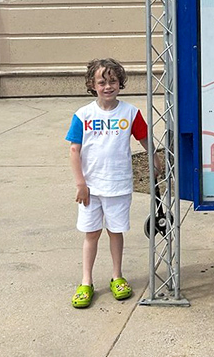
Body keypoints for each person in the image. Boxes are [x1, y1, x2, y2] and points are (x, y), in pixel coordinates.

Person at [65, 58, 157, 309]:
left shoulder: (130, 113)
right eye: (102, 82)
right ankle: (86, 281)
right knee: (91, 233)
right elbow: (74, 150)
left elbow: (145, 139)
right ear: (92, 85)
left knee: (115, 232)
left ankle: (117, 276)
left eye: (113, 81)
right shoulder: (83, 115)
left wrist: (157, 162)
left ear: (120, 83)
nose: (108, 86)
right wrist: (80, 184)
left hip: (118, 185)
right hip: (90, 189)